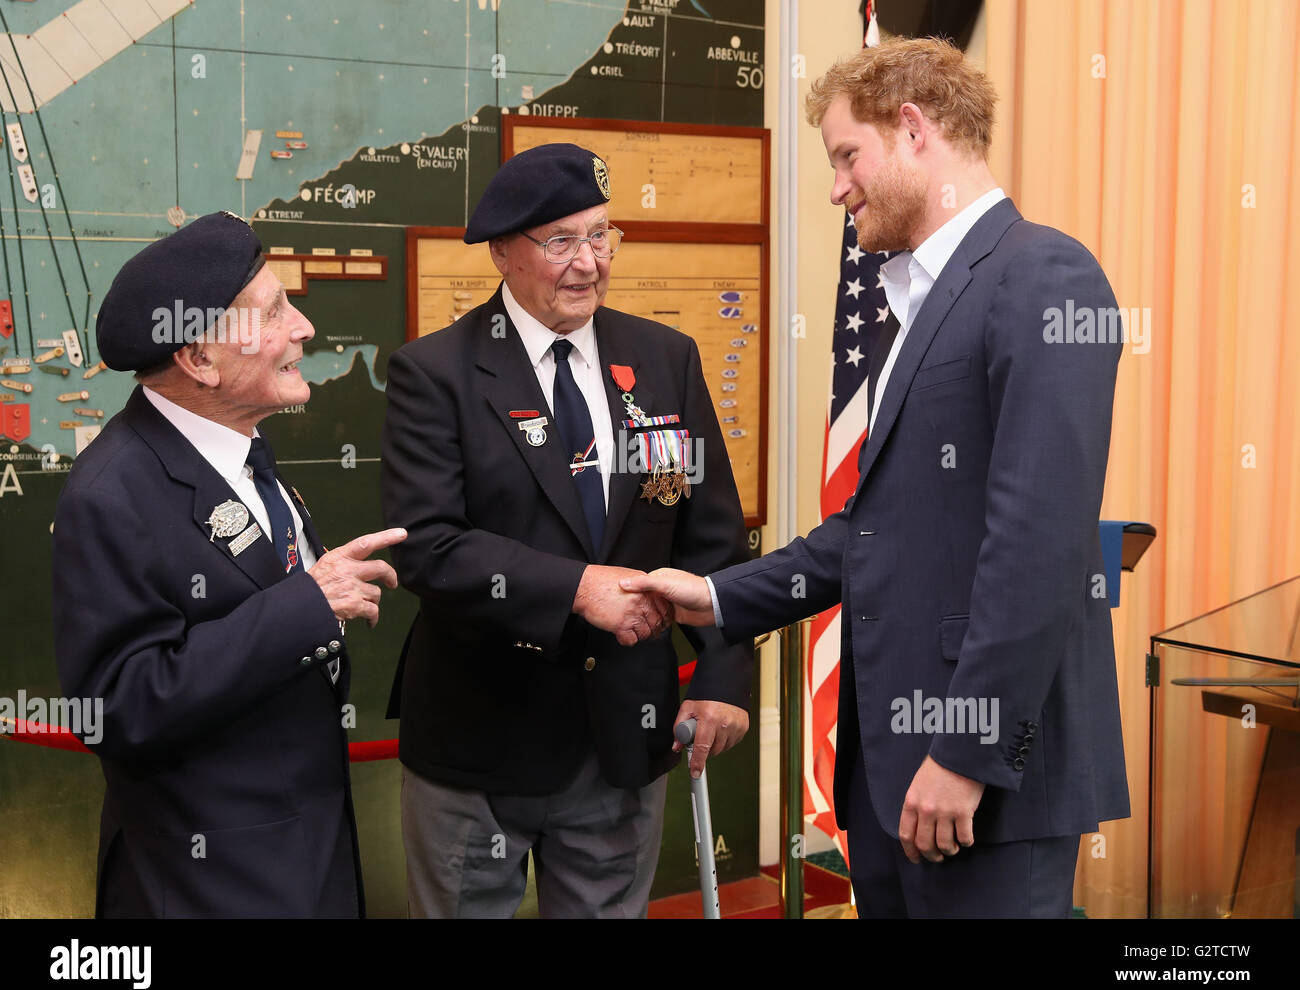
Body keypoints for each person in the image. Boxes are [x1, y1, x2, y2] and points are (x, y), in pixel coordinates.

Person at [625, 38, 1130, 917]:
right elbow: (871, 527)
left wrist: (968, 754)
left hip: (978, 784)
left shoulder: (1045, 274)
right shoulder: (921, 300)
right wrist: (715, 593)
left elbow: (1040, 544)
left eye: (846, 156)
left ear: (912, 129)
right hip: (894, 777)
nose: (836, 187)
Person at [381, 143, 752, 918]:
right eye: (561, 242)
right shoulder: (435, 374)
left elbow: (711, 544)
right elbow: (428, 543)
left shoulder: (667, 360)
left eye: (601, 235)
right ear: (504, 252)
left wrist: (720, 680)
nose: (589, 263)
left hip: (623, 739)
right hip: (477, 747)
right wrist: (578, 590)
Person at [53, 211, 406, 917]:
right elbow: (117, 706)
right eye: (274, 311)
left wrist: (307, 596)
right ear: (200, 360)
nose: (303, 328)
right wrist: (308, 602)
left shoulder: (241, 448)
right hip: (208, 887)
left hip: (307, 861)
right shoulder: (110, 494)